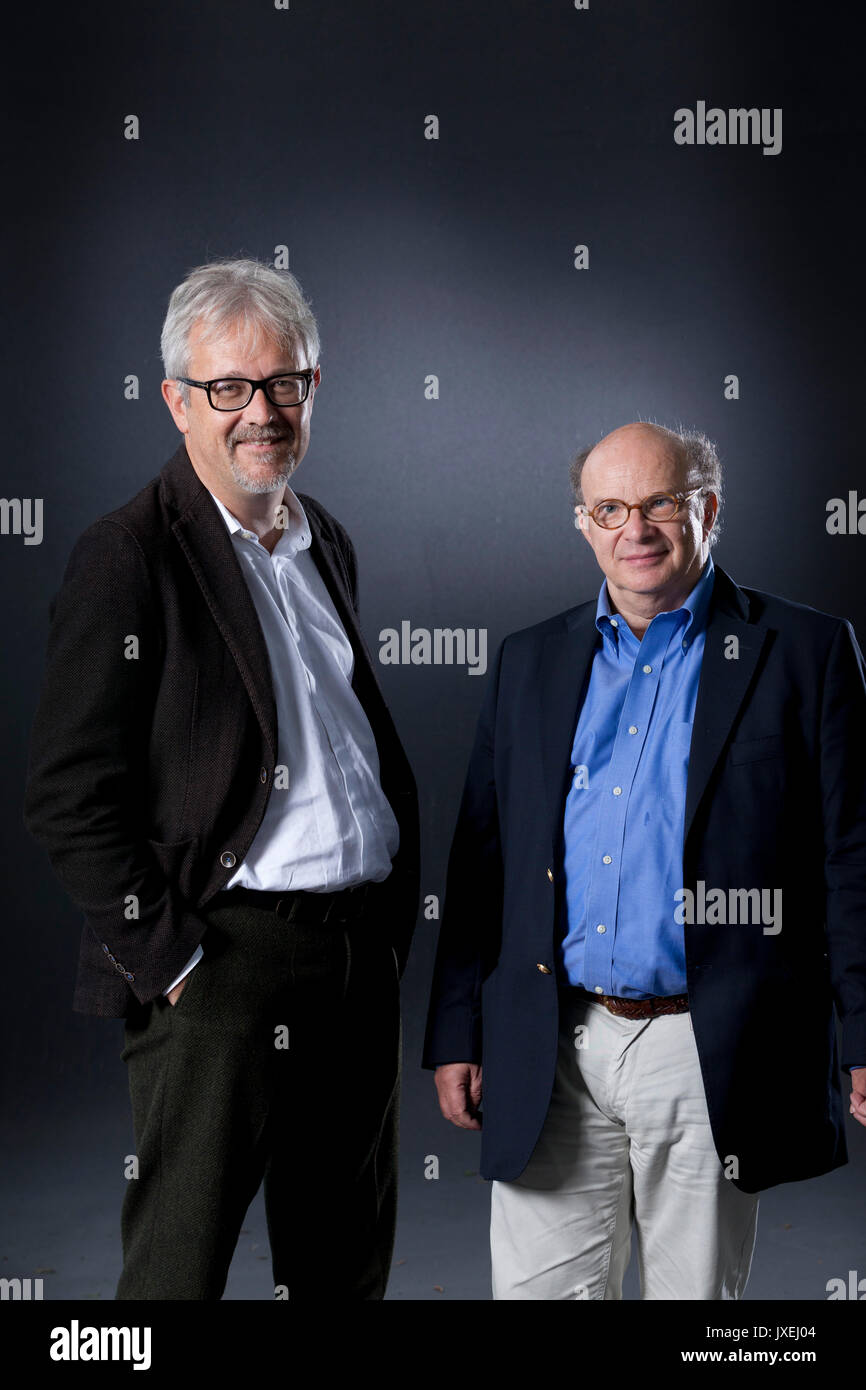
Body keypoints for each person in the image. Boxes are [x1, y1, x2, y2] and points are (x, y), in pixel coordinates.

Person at [23, 257, 419, 1301]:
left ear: (313, 388)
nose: (259, 412)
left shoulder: (319, 536)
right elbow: (67, 791)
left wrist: (381, 934)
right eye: (227, 389)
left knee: (341, 1262)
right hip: (220, 965)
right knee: (175, 1276)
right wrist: (170, 957)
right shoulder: (126, 554)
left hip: (348, 958)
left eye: (281, 383)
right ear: (177, 401)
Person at [423, 421, 866, 1300]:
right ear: (583, 523)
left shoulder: (806, 653)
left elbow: (854, 857)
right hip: (552, 1040)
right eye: (611, 508)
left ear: (706, 509)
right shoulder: (527, 661)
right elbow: (480, 863)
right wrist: (457, 1031)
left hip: (707, 1043)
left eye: (660, 502)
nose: (637, 529)